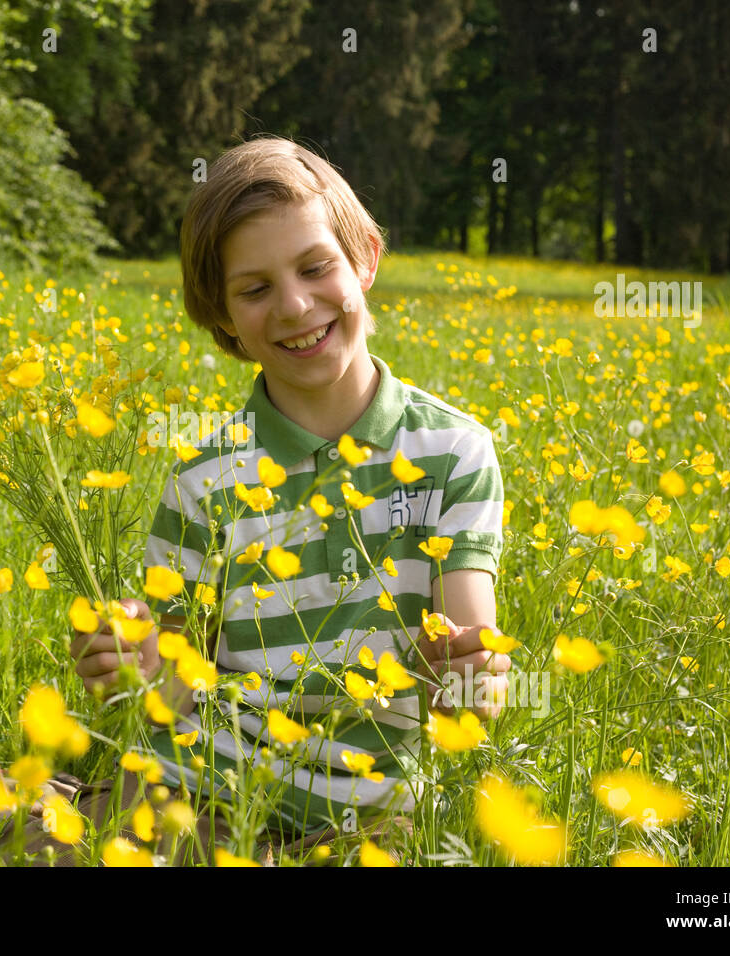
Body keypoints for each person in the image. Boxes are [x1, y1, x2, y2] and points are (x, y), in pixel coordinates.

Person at [67, 134, 512, 865]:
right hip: (204, 792)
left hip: (368, 815)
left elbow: (468, 668)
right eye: (255, 289)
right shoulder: (204, 476)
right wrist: (135, 671)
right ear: (223, 316)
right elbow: (177, 683)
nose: (295, 306)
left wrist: (471, 682)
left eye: (315, 267)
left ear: (365, 256)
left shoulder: (453, 454)